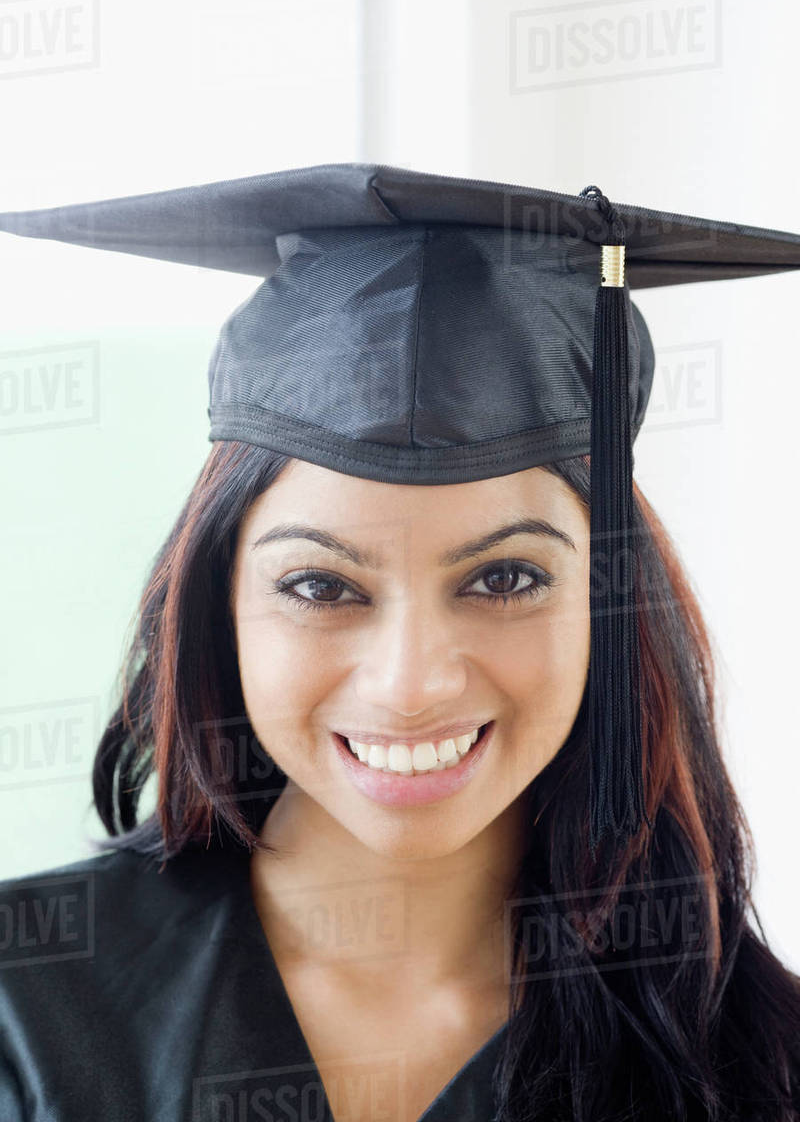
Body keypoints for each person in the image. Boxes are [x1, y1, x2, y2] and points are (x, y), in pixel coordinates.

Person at [0, 163, 798, 1121]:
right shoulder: (25, 1002)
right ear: (217, 600)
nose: (411, 684)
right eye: (320, 587)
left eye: (505, 579)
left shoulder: (758, 1063)